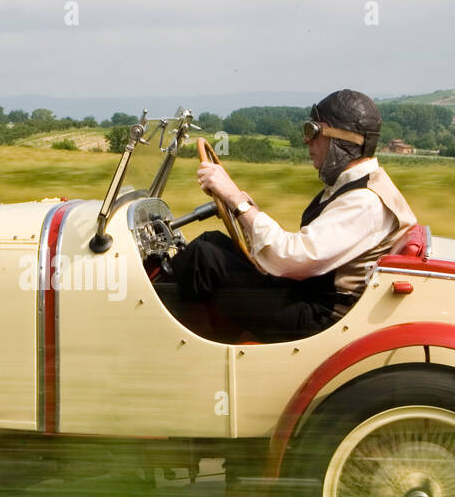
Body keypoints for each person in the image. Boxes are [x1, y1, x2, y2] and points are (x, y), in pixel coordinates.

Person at [168, 89, 417, 341]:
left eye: (313, 132)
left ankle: (174, 344)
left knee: (204, 259)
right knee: (212, 241)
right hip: (310, 292)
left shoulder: (365, 202)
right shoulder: (355, 186)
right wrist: (242, 207)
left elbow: (291, 258)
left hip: (322, 319)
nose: (306, 141)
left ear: (342, 140)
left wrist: (235, 199)